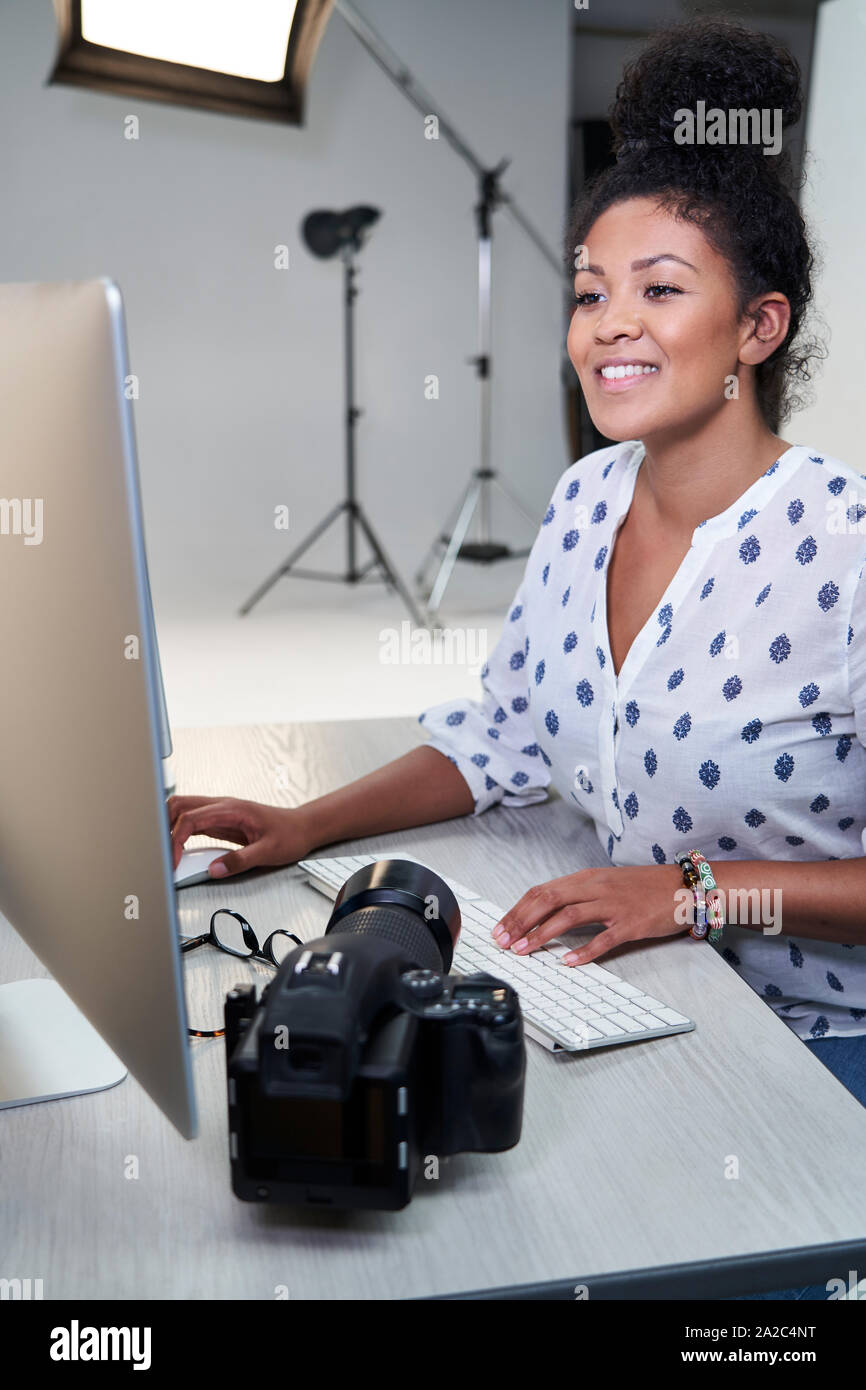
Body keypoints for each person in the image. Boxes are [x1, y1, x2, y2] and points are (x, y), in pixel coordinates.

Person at [169, 16, 865, 1300]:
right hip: (642, 995)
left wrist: (694, 891)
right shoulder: (585, 500)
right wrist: (304, 823)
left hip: (816, 1045)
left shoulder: (842, 542)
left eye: (660, 290)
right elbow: (499, 739)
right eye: (590, 291)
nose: (608, 326)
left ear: (756, 327)